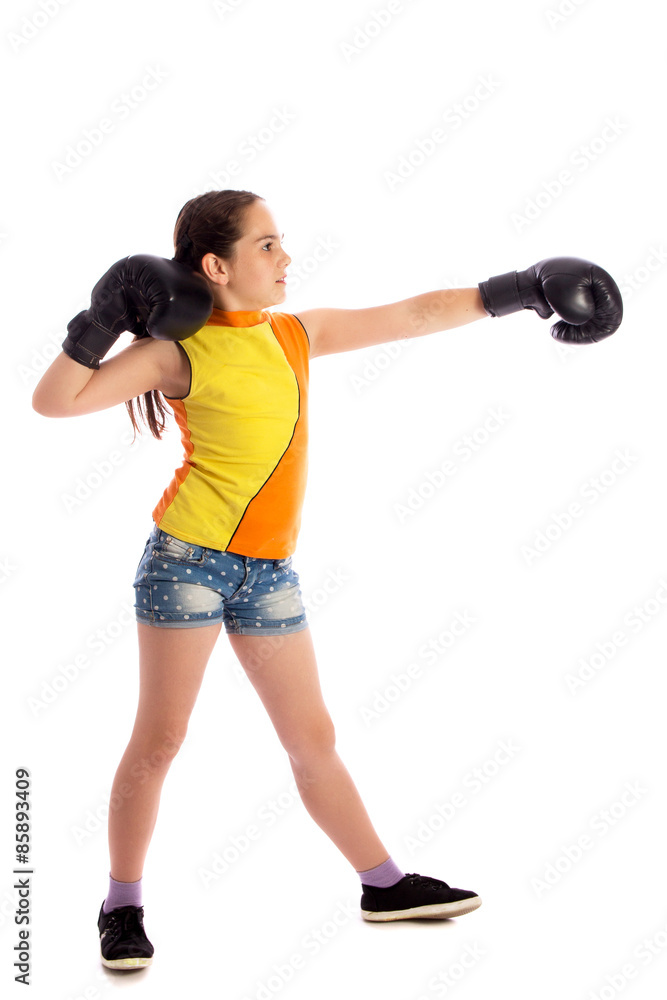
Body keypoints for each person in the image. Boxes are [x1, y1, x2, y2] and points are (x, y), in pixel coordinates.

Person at [31, 189, 622, 970]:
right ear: (217, 264)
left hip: (268, 573)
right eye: (268, 245)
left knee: (313, 740)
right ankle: (121, 905)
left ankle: (381, 885)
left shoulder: (294, 335)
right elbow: (54, 401)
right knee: (162, 739)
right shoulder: (177, 352)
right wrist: (99, 319)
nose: (285, 258)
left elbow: (410, 314)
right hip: (187, 566)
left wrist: (516, 289)